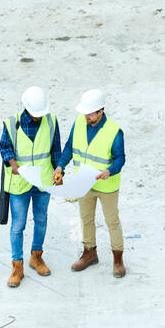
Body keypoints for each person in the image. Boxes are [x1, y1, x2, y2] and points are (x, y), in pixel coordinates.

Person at [55, 89, 126, 278]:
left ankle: (118, 259)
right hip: (84, 183)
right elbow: (70, 146)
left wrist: (110, 170)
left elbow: (120, 158)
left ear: (100, 111)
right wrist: (60, 166)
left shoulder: (114, 131)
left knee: (112, 221)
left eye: (90, 113)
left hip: (106, 186)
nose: (86, 116)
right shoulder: (79, 122)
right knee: (86, 220)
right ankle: (89, 253)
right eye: (85, 112)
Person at [0, 86, 61, 288]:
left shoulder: (51, 121)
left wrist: (59, 172)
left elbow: (55, 149)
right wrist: (13, 164)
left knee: (41, 219)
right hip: (20, 182)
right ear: (26, 108)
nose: (38, 117)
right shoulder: (11, 124)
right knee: (18, 225)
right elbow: (4, 147)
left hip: (42, 181)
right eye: (35, 114)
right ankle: (17, 267)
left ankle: (37, 256)